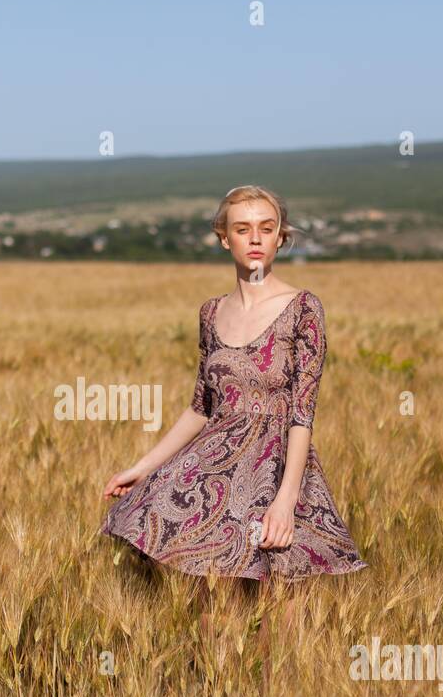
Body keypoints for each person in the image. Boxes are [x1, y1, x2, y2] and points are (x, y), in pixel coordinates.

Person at [99, 185, 368, 583]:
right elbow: (200, 408)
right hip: (213, 476)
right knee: (212, 613)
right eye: (242, 229)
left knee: (278, 618)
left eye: (267, 227)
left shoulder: (304, 308)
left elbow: (301, 415)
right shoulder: (211, 312)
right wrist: (143, 467)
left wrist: (286, 501)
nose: (256, 238)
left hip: (277, 473)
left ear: (281, 237)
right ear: (224, 238)